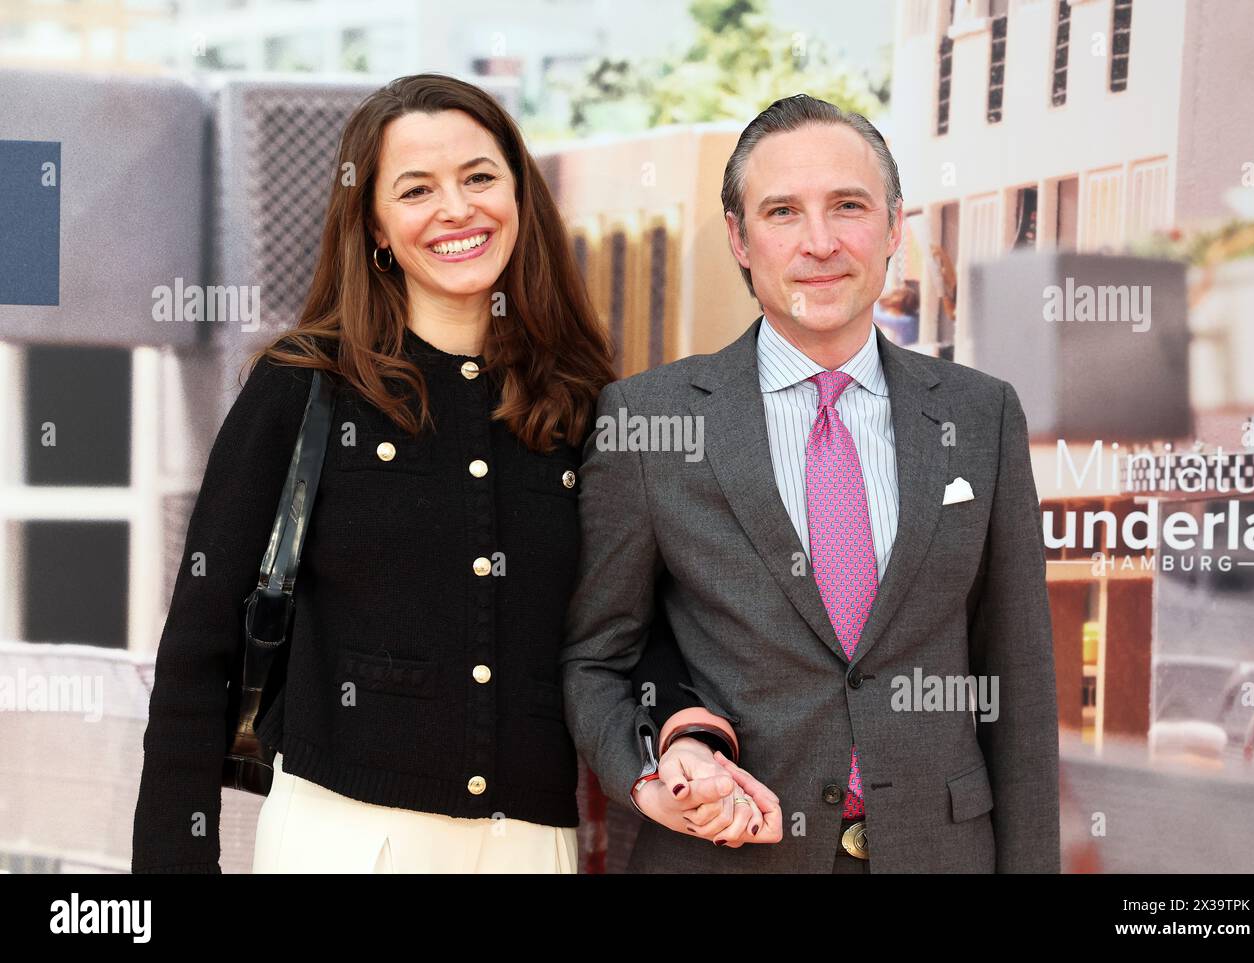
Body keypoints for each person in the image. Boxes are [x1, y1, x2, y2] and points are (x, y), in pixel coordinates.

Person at [130, 73, 719, 874]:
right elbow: (199, 647)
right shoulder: (303, 384)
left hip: (531, 844)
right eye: (416, 189)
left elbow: (624, 633)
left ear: (519, 194)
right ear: (374, 224)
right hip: (341, 841)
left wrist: (684, 732)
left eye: (479, 177)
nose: (457, 209)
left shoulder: (582, 404)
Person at [562, 94, 1060, 873]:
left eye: (849, 206)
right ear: (740, 237)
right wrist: (651, 774)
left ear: (895, 225)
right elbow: (596, 658)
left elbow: (1018, 683)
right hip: (725, 855)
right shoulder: (647, 421)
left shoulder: (982, 415)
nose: (820, 242)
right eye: (784, 211)